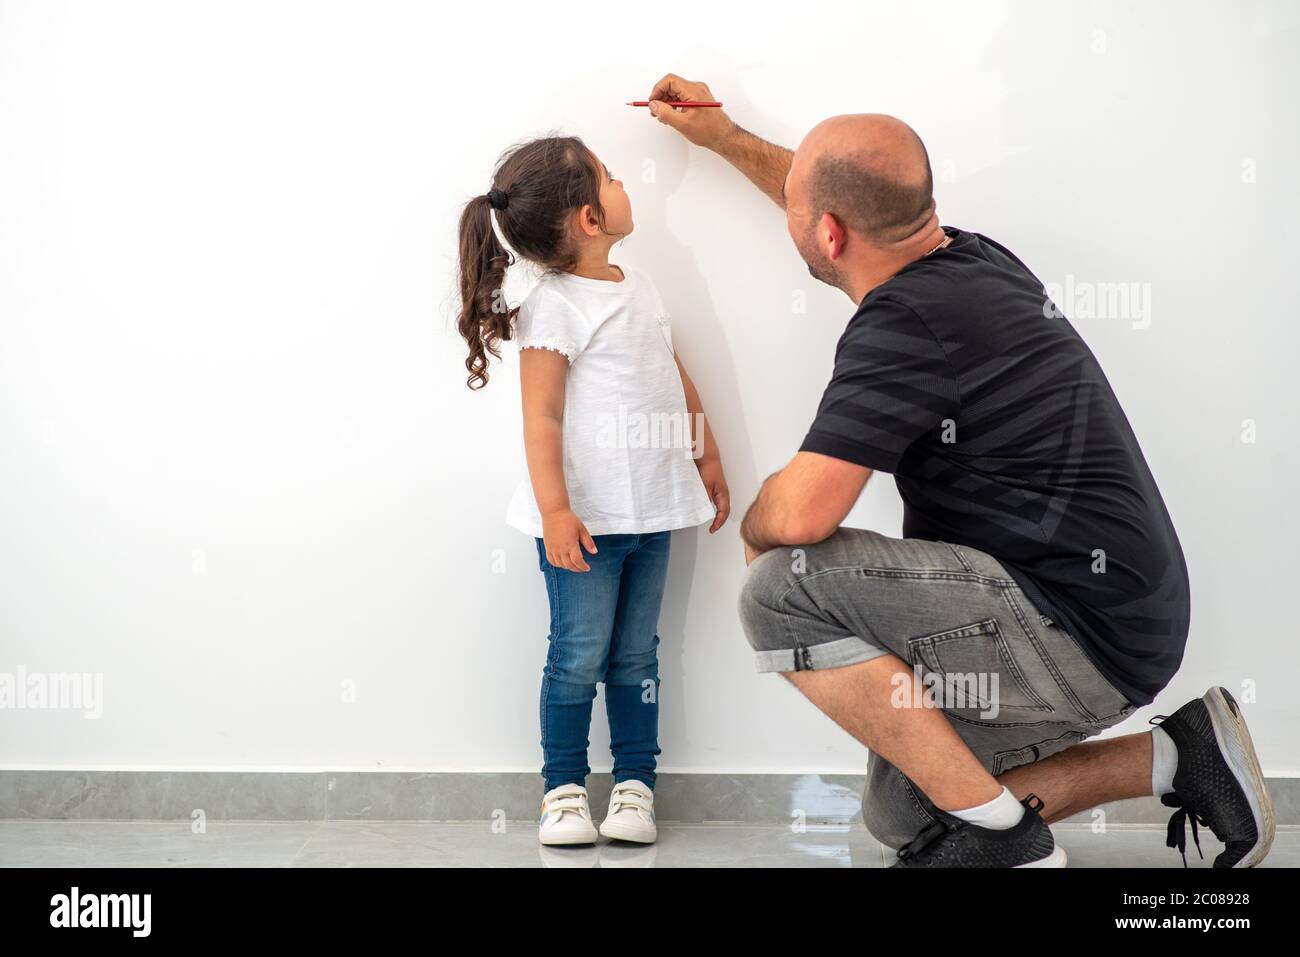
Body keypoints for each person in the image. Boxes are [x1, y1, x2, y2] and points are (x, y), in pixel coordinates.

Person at [640, 75, 1273, 867]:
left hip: (1076, 624)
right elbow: (842, 201)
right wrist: (727, 137)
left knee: (782, 583)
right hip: (1122, 612)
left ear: (828, 235)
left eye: (804, 213)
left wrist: (756, 522)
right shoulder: (966, 259)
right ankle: (1182, 754)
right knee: (905, 812)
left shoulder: (902, 324)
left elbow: (801, 518)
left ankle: (1009, 845)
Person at [455, 135, 730, 846]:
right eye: (611, 176)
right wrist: (554, 510)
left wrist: (705, 454)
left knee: (637, 654)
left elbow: (671, 374)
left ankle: (636, 787)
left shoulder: (639, 286)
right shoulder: (553, 306)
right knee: (577, 653)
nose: (623, 182)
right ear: (587, 217)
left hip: (654, 507)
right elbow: (540, 417)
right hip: (583, 520)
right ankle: (565, 791)